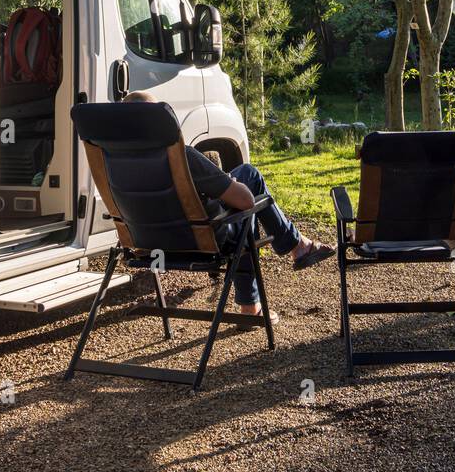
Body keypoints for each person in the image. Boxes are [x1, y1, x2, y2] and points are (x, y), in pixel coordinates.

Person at [124, 91, 333, 320]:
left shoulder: (111, 161)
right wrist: (230, 185)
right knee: (247, 194)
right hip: (201, 241)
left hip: (147, 243)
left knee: (245, 175)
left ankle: (296, 246)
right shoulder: (181, 158)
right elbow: (245, 201)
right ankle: (255, 300)